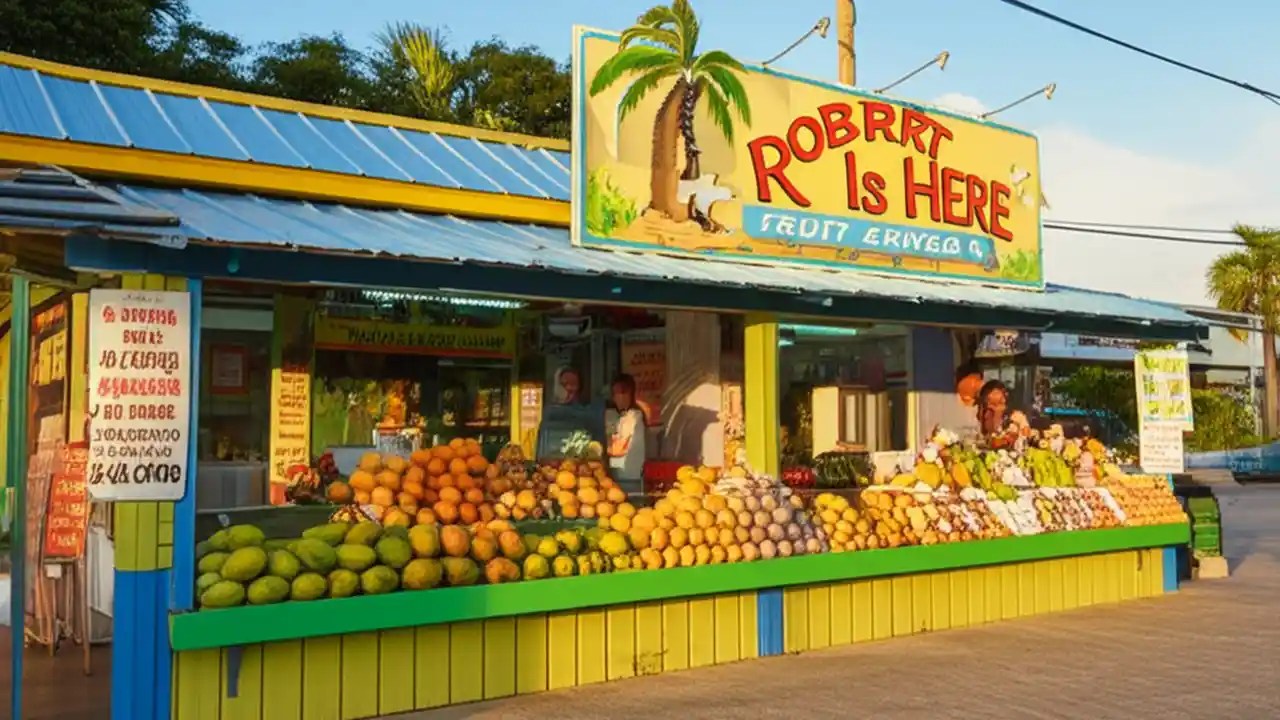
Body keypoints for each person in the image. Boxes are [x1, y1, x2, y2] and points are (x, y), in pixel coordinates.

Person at [605, 374, 647, 494]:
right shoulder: (610, 415)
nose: (620, 396)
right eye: (617, 393)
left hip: (631, 476)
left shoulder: (635, 416)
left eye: (624, 392)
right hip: (612, 476)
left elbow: (621, 446)